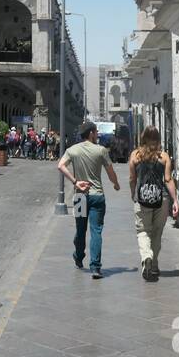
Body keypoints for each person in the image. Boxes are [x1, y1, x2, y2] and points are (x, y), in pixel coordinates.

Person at [58, 120, 120, 279]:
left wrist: (75, 181)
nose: (97, 134)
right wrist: (116, 184)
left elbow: (61, 166)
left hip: (80, 196)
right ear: (91, 133)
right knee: (96, 231)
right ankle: (95, 267)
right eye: (96, 132)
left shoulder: (73, 150)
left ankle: (78, 257)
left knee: (80, 230)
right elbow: (110, 172)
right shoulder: (101, 151)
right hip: (97, 196)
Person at [128, 125, 179, 282]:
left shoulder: (135, 156)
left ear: (143, 138)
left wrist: (133, 193)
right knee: (157, 232)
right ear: (158, 139)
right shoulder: (164, 157)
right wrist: (175, 200)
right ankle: (154, 264)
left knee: (143, 231)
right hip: (161, 200)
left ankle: (147, 258)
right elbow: (168, 180)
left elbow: (132, 179)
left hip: (142, 200)